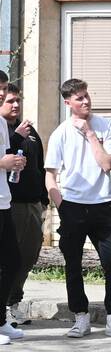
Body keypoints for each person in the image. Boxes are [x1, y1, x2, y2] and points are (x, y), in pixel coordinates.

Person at [44, 79, 111, 340]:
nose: (85, 101)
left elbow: (107, 165)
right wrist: (62, 206)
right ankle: (80, 316)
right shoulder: (60, 133)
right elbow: (50, 176)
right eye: (79, 98)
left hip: (103, 206)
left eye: (86, 96)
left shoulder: (106, 125)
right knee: (73, 263)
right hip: (73, 206)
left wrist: (90, 134)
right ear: (68, 102)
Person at [2, 84, 47, 327]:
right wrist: (15, 135)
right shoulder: (5, 130)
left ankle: (14, 302)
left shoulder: (31, 132)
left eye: (18, 100)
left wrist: (44, 200)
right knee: (9, 257)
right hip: (10, 204)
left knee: (29, 255)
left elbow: (38, 166)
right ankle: (4, 307)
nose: (16, 105)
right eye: (10, 101)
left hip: (32, 203)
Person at [0, 108, 27, 345]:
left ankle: (0, 321)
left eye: (4, 89)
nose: (1, 94)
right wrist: (2, 162)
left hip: (3, 200)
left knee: (12, 261)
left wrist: (15, 163)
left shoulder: (0, 122)